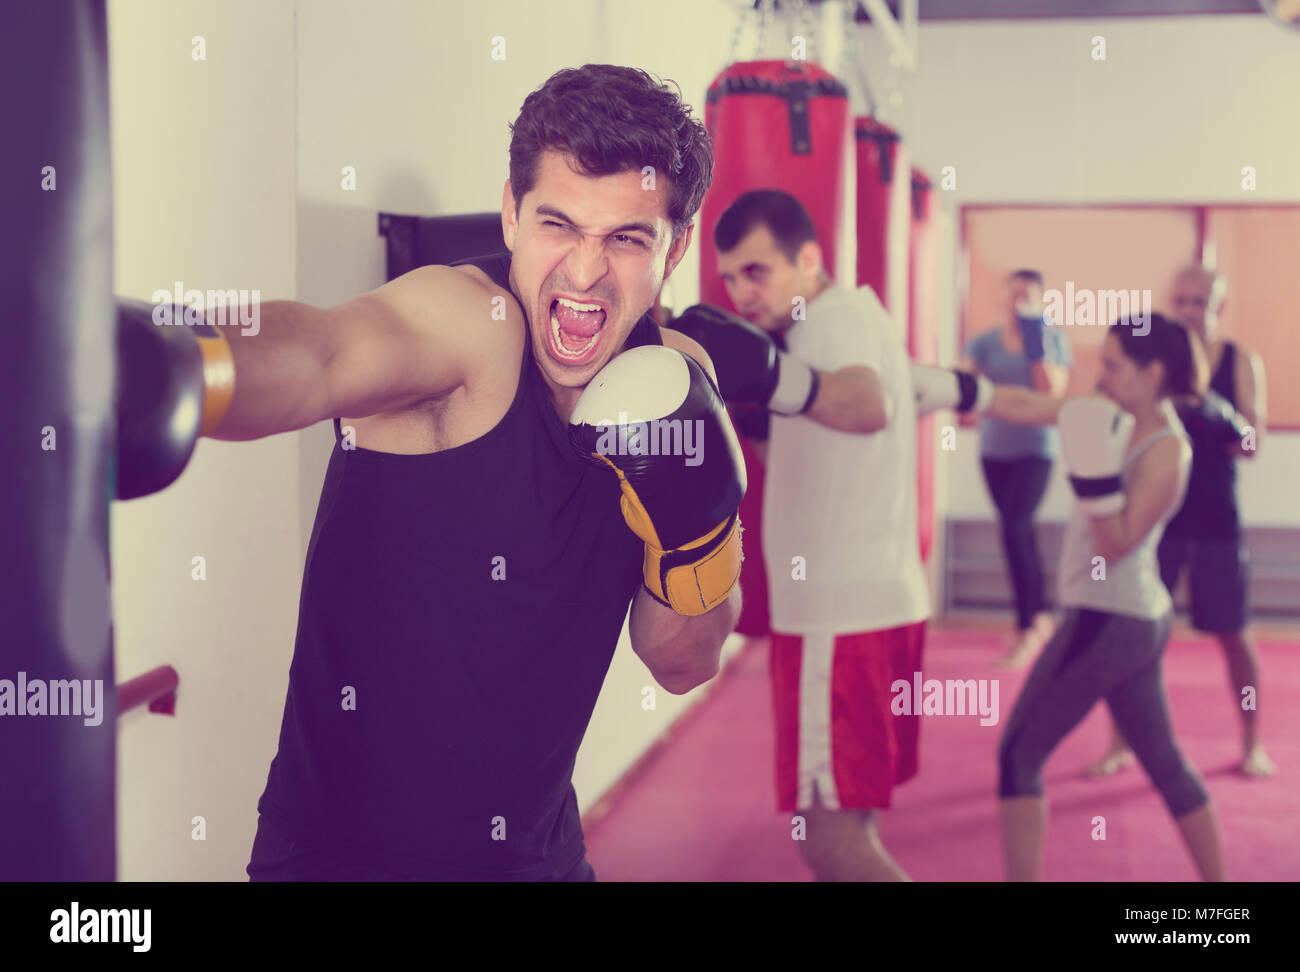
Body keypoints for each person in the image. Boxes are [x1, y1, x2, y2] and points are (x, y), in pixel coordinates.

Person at [162, 63, 746, 880]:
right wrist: (169, 362)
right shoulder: (466, 325)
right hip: (342, 865)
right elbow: (322, 352)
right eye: (558, 225)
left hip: (539, 859)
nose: (584, 272)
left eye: (625, 237)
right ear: (511, 214)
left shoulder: (678, 383)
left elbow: (682, 662)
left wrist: (699, 536)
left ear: (675, 247)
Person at [674, 189, 966, 881]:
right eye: (733, 276)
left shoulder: (830, 326)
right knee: (849, 824)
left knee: (827, 842)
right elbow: (814, 447)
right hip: (875, 606)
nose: (744, 293)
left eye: (758, 272)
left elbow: (868, 405)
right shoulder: (845, 322)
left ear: (809, 259)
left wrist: (772, 374)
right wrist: (745, 405)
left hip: (840, 622)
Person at [988, 314, 1224, 881]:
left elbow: (1115, 544)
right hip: (1130, 617)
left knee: (1018, 757)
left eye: (1114, 366)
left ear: (1153, 373)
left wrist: (1093, 479)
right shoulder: (1107, 412)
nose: (1101, 375)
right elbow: (1025, 406)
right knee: (1163, 761)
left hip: (1110, 617)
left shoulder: (1169, 452)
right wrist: (943, 386)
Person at [1088, 266, 1274, 779]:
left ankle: (1252, 742)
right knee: (1137, 630)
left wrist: (1223, 416)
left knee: (1234, 635)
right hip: (1158, 514)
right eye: (1184, 300)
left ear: (1219, 306)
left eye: (1202, 301)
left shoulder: (1239, 361)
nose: (1192, 310)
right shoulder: (1157, 361)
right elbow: (1112, 417)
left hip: (1216, 515)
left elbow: (1253, 445)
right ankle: (1119, 743)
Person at [962, 270, 1073, 669]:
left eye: (1028, 296)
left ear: (1042, 301)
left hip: (1035, 451)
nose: (1019, 301)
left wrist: (1035, 336)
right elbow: (963, 388)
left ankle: (1027, 628)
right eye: (1015, 295)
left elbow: (1051, 392)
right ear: (1004, 299)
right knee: (1016, 535)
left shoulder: (1053, 339)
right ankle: (1036, 615)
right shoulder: (985, 342)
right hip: (995, 452)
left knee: (1016, 527)